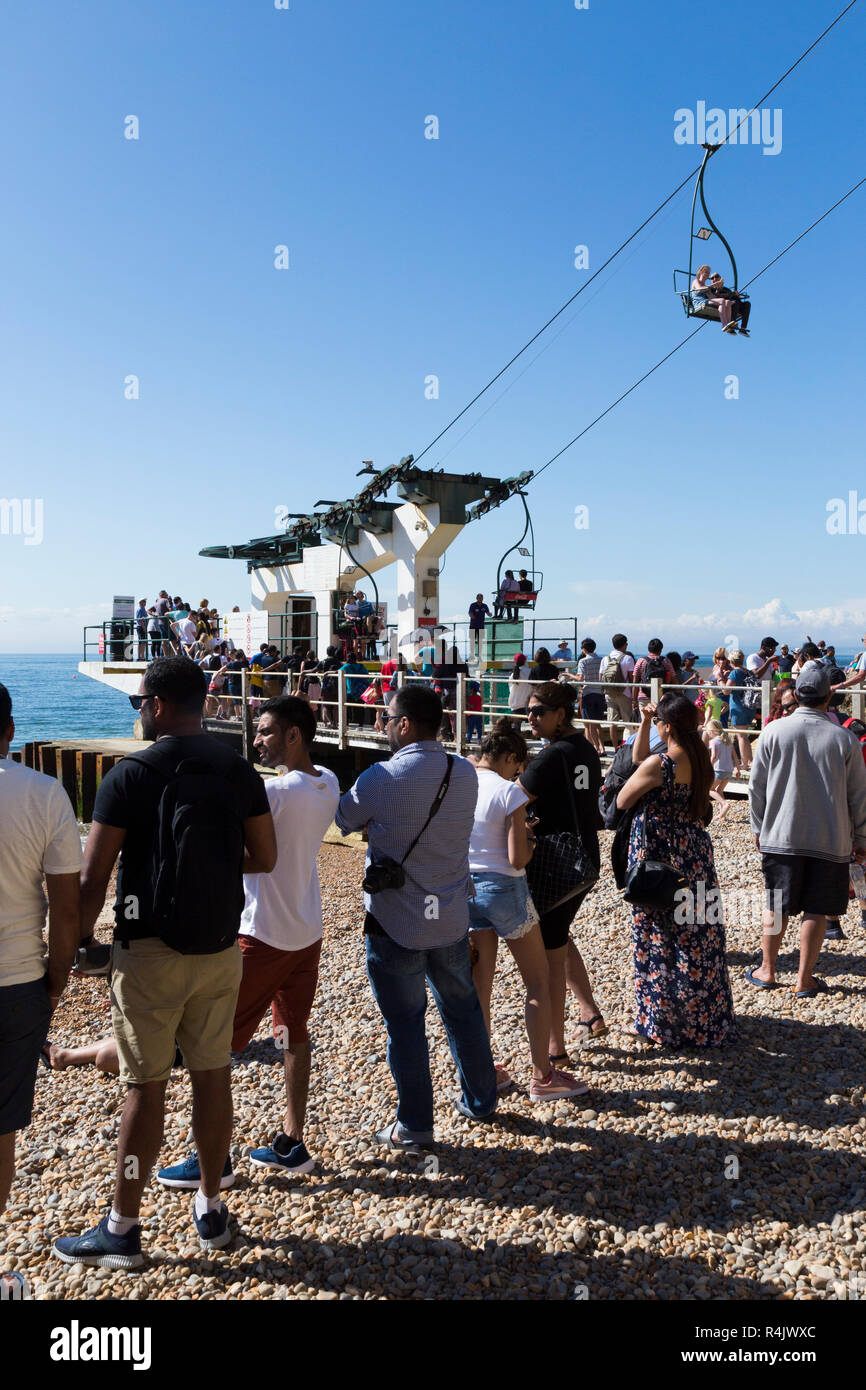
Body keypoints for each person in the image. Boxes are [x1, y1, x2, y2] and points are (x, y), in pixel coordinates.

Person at [52, 658, 276, 1269]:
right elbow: (265, 857)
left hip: (148, 953)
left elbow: (94, 880)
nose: (137, 715)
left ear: (155, 705)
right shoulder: (238, 770)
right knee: (211, 1078)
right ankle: (210, 1207)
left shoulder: (130, 775)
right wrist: (209, 873)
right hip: (220, 949)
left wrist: (73, 949)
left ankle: (122, 1227)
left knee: (143, 1090)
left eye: (137, 704)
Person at [158, 697, 340, 1183]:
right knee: (292, 1036)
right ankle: (291, 1142)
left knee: (211, 1044)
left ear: (293, 736)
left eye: (264, 732)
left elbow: (251, 855)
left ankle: (212, 1160)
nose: (255, 740)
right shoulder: (329, 783)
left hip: (262, 933)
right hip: (306, 930)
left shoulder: (275, 793)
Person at [335, 684, 496, 1149]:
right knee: (462, 1009)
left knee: (406, 1023)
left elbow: (343, 818)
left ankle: (416, 1125)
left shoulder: (379, 778)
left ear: (404, 724)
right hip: (449, 914)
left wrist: (377, 825)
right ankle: (482, 1099)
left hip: (395, 921)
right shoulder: (464, 773)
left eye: (387, 718)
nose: (383, 725)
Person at [468, 721, 587, 1101]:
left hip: (466, 890)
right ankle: (543, 1076)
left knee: (479, 987)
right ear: (509, 758)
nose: (517, 774)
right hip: (505, 888)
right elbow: (517, 857)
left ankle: (481, 1072)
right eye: (517, 768)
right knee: (536, 981)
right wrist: (531, 838)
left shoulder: (460, 784)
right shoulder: (508, 793)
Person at [0, 684, 82, 1214]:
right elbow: (67, 909)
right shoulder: (44, 793)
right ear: (9, 730)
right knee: (0, 1132)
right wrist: (55, 978)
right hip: (17, 981)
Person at [616, 695, 735, 1046]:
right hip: (695, 853)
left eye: (657, 724)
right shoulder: (700, 760)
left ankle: (660, 1024)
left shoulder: (660, 765)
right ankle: (705, 1022)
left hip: (660, 857)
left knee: (659, 938)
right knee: (699, 936)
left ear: (666, 727)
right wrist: (644, 721)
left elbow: (623, 798)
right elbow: (641, 759)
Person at [747, 662, 866, 997]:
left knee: (776, 904)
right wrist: (862, 838)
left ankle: (768, 969)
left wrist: (758, 826)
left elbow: (757, 788)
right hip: (832, 836)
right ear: (829, 696)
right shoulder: (844, 739)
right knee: (816, 906)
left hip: (781, 833)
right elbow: (858, 796)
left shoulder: (773, 731)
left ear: (796, 694)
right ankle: (804, 978)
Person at [520, 683, 605, 1061]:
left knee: (549, 952)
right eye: (528, 710)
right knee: (558, 936)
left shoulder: (552, 756)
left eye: (538, 711)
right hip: (582, 857)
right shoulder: (585, 747)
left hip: (554, 863)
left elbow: (510, 797)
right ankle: (590, 1014)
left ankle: (554, 1050)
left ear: (560, 713)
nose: (530, 717)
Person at [572, 638, 605, 756]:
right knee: (597, 723)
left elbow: (580, 679)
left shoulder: (583, 661)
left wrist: (568, 674)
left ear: (584, 649)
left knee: (590, 723)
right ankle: (602, 748)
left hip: (588, 694)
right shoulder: (601, 660)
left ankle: (597, 749)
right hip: (600, 694)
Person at [602, 634, 636, 748]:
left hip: (609, 694)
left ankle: (616, 748)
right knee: (628, 724)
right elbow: (632, 679)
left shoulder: (605, 659)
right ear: (624, 644)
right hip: (624, 694)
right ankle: (627, 747)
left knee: (613, 723)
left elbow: (600, 678)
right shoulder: (628, 658)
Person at [703, 719, 741, 819]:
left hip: (719, 770)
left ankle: (724, 804)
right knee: (719, 791)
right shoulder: (727, 741)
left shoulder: (714, 742)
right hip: (729, 771)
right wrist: (738, 769)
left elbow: (714, 757)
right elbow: (735, 757)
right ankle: (722, 815)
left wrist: (708, 768)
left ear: (711, 731)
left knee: (709, 789)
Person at [725, 650, 755, 770]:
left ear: (731, 661)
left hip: (739, 706)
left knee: (740, 736)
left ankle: (744, 763)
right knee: (745, 736)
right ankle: (750, 760)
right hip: (749, 707)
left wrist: (720, 679)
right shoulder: (748, 672)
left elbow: (726, 690)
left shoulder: (734, 673)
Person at [632, 638, 676, 707]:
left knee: (645, 717)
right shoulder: (666, 661)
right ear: (661, 649)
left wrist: (634, 700)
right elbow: (673, 679)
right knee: (660, 717)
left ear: (649, 649)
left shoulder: (641, 661)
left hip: (644, 696)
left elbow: (635, 682)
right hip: (662, 697)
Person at [508, 653, 533, 720]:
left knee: (517, 727)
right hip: (528, 704)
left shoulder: (513, 675)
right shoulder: (530, 672)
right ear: (525, 661)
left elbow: (510, 689)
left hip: (515, 704)